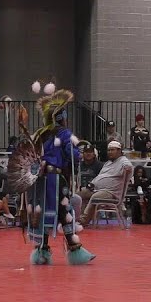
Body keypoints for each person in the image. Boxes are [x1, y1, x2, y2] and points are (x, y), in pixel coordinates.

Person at [16, 83, 95, 266]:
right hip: (56, 179)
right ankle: (74, 251)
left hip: (39, 180)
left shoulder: (39, 134)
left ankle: (43, 251)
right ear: (61, 119)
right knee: (64, 211)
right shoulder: (65, 134)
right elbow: (73, 155)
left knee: (43, 212)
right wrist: (78, 155)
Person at [81, 140, 132, 226]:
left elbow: (128, 166)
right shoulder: (108, 163)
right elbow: (100, 176)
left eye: (112, 150)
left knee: (95, 197)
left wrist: (127, 168)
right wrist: (92, 184)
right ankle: (75, 218)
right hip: (97, 189)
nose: (110, 152)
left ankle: (83, 220)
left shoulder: (123, 161)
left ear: (119, 151)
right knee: (80, 194)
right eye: (109, 150)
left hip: (112, 193)